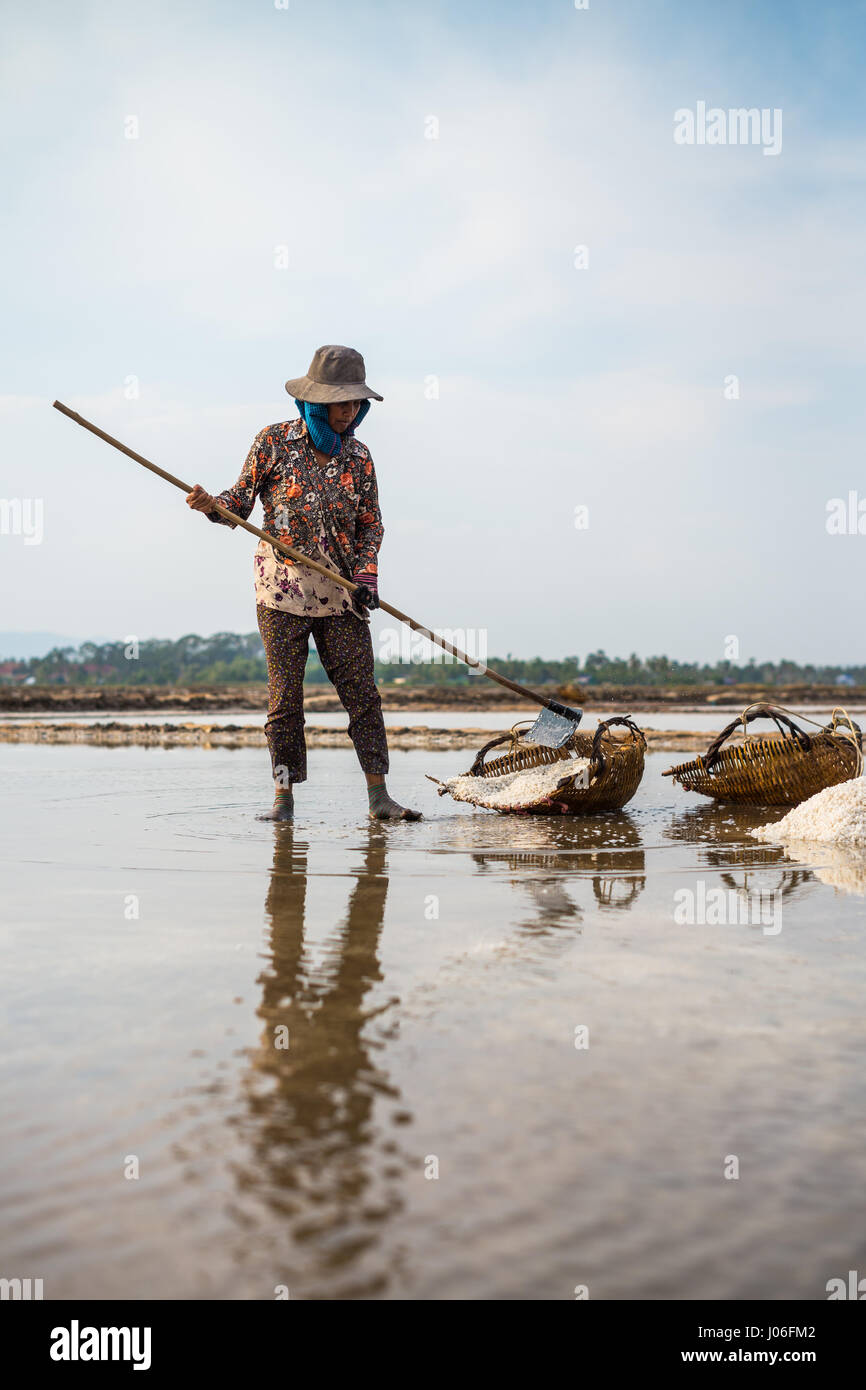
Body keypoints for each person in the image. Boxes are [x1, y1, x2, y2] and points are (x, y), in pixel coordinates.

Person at [186, 344, 422, 824]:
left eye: (357, 403)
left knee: (363, 696)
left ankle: (380, 798)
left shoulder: (359, 456)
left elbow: (370, 524)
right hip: (282, 591)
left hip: (341, 595)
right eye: (342, 402)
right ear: (316, 402)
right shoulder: (274, 442)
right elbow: (239, 502)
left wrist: (365, 573)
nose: (351, 412)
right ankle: (283, 799)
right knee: (285, 701)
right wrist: (212, 505)